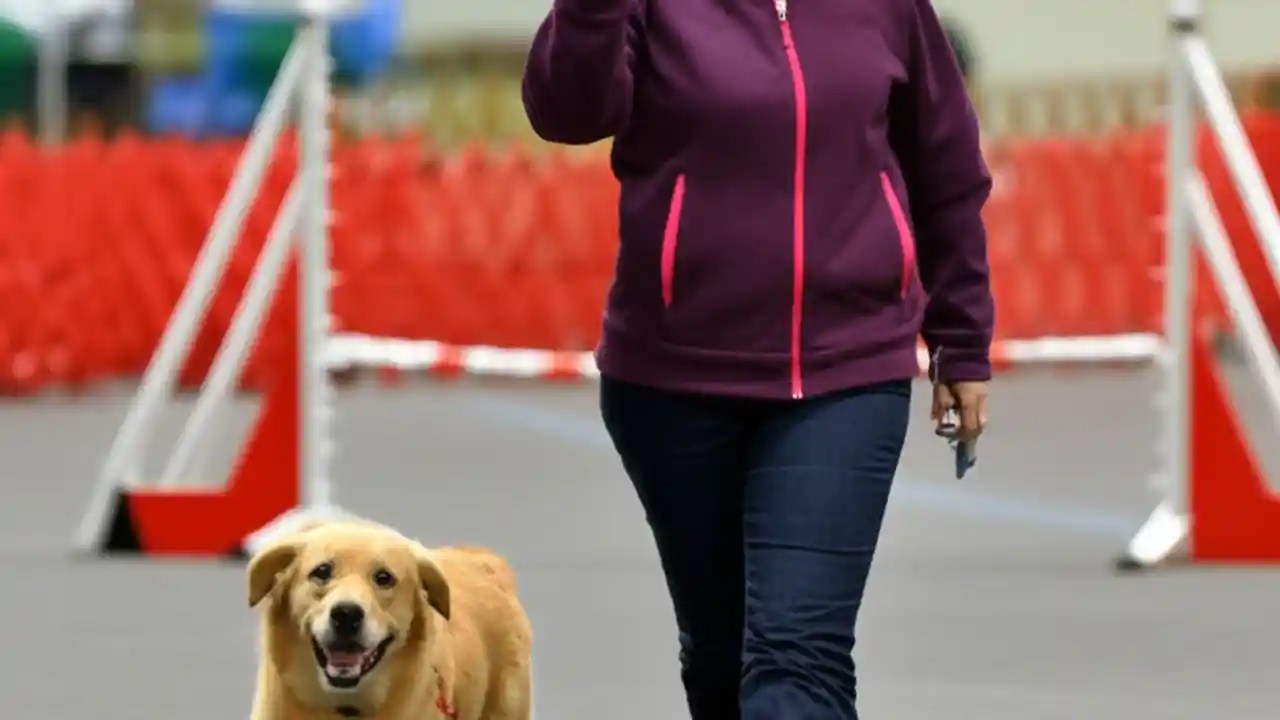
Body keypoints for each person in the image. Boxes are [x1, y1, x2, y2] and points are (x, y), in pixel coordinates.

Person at [522, 0, 993, 717]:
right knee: (720, 659)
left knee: (797, 660)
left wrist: (961, 340)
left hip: (849, 372)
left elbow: (946, 165)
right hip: (670, 378)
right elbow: (568, 112)